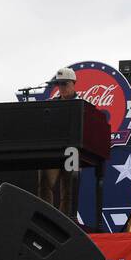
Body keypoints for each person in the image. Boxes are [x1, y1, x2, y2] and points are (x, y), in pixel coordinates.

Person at [38, 67, 80, 213]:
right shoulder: (50, 105)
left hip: (73, 151)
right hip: (53, 151)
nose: (61, 88)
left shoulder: (82, 105)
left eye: (64, 84)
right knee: (44, 182)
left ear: (73, 83)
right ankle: (46, 216)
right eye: (59, 84)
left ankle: (65, 221)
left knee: (69, 188)